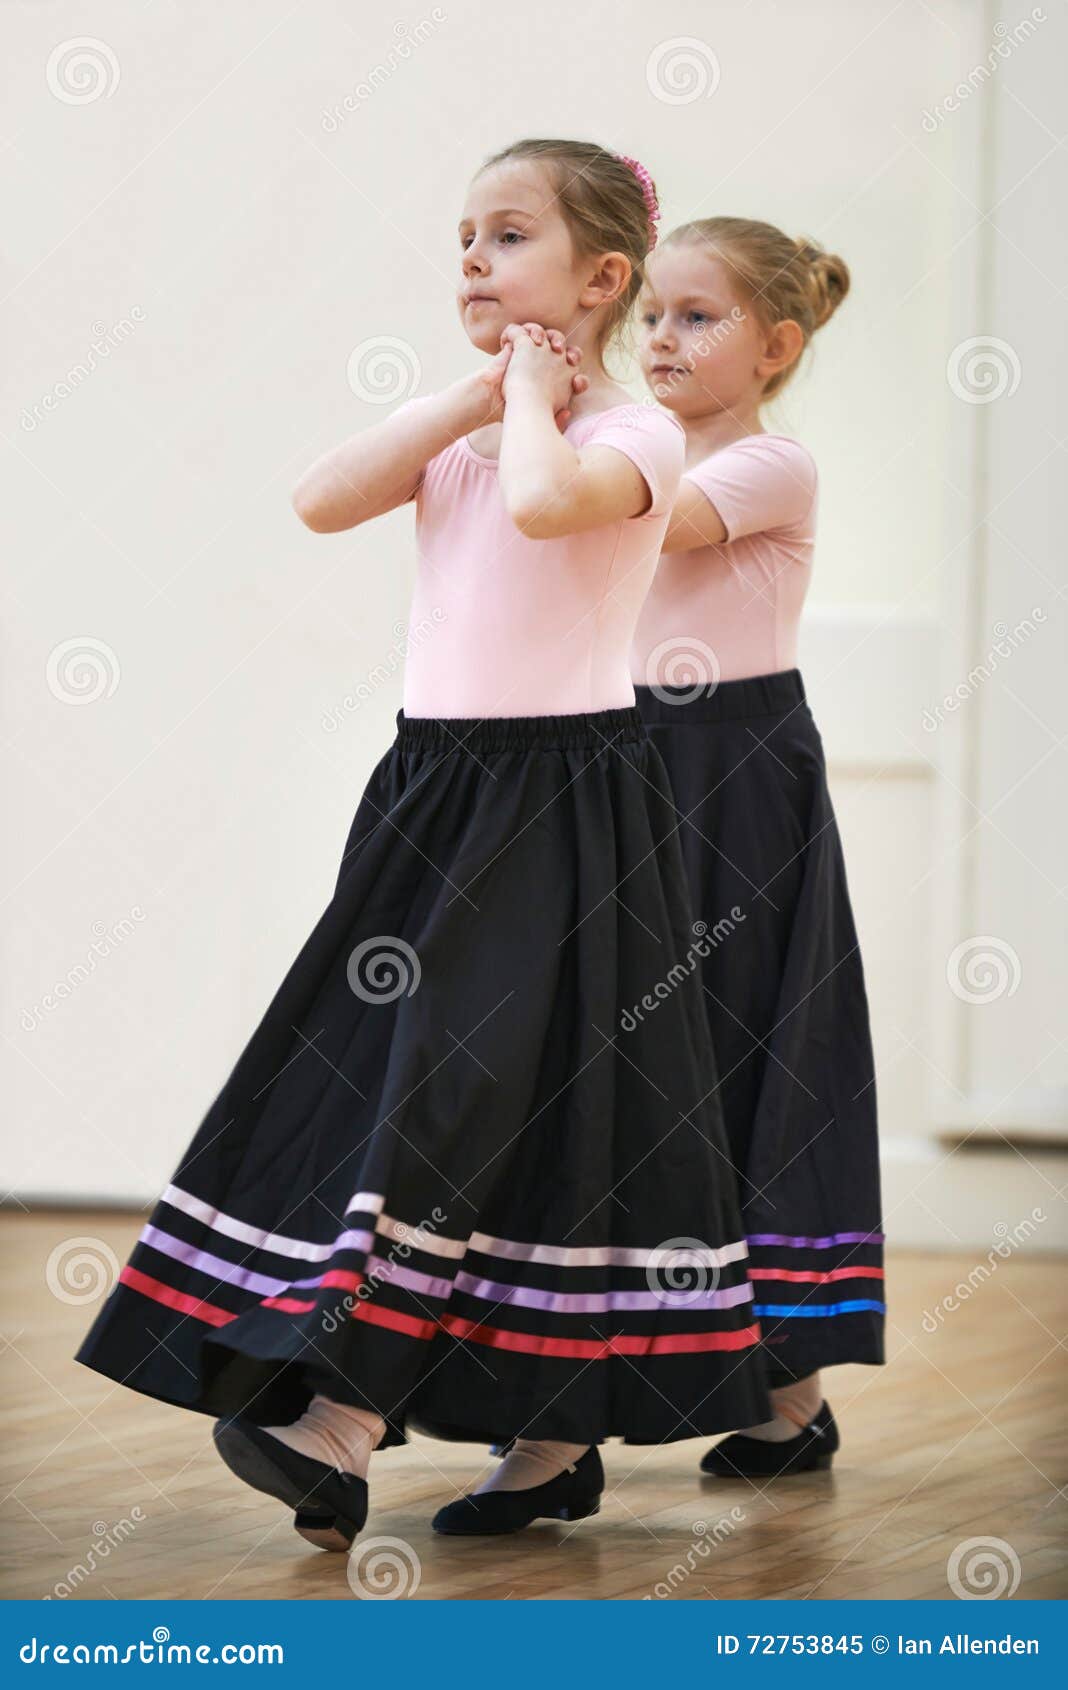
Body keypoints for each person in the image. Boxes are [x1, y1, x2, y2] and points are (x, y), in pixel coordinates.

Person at [74, 145, 772, 1552]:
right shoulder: (467, 424)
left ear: (602, 278)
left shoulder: (631, 433)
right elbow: (322, 496)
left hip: (564, 796)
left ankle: (349, 1422)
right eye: (462, 234)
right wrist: (473, 395)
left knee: (466, 1094)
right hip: (435, 787)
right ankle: (536, 1441)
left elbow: (544, 505)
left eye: (507, 235)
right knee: (431, 1082)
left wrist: (529, 401)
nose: (470, 257)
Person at [630, 216, 886, 1478]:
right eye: (650, 316)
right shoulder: (627, 451)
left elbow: (649, 524)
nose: (660, 339)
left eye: (697, 316)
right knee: (616, 1059)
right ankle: (555, 1393)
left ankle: (789, 1395)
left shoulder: (768, 465)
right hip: (624, 754)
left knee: (738, 1047)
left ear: (775, 346)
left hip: (733, 772)